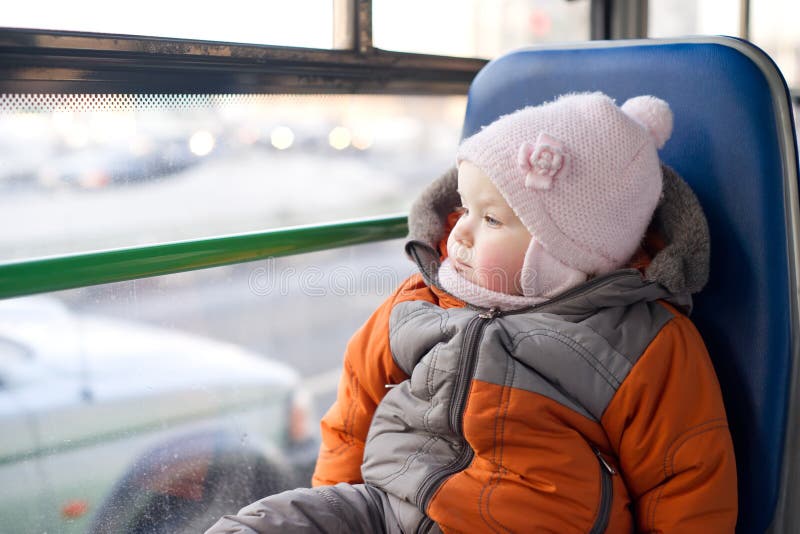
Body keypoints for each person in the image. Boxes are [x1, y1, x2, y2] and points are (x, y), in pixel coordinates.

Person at [206, 92, 737, 533]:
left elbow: (685, 481)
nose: (458, 231)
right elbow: (354, 409)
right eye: (463, 207)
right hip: (383, 509)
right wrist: (336, 494)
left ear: (570, 250)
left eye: (491, 219)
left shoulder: (644, 342)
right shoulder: (422, 297)